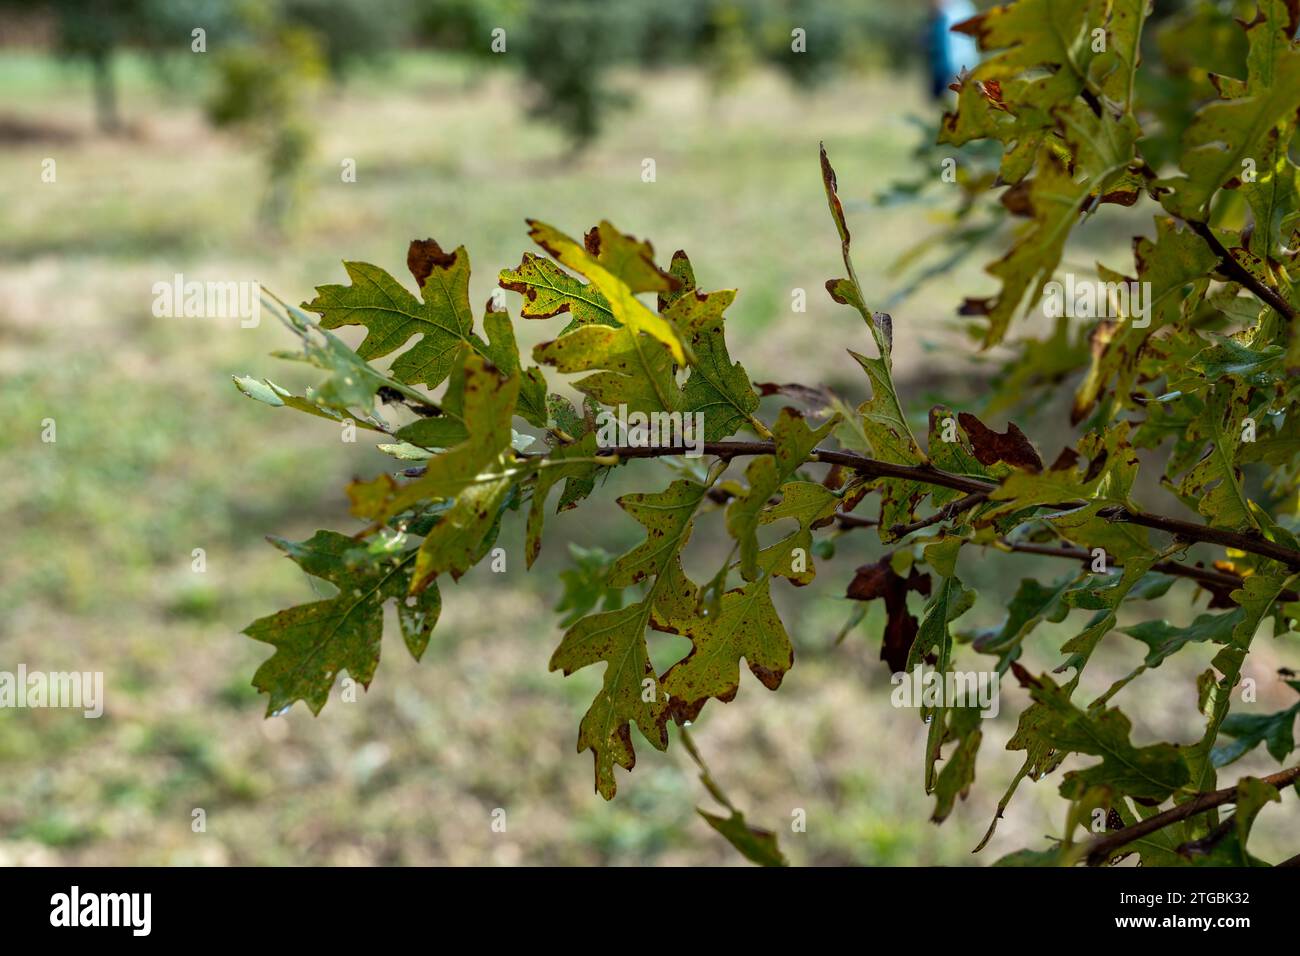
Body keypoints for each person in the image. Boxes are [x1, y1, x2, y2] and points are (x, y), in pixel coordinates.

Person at [926, 0, 980, 100]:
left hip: (953, 67)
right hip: (949, 67)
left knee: (954, 103)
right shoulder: (964, 7)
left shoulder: (948, 13)